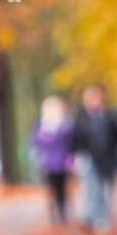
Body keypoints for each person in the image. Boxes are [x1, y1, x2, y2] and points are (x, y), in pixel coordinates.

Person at [72, 84, 117, 232]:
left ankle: (102, 218)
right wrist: (76, 156)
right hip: (88, 158)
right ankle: (89, 217)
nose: (90, 100)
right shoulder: (80, 117)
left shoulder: (111, 116)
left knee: (104, 190)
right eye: (87, 98)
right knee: (90, 188)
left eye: (93, 97)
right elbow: (75, 139)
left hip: (107, 159)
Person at [30, 95, 75, 225]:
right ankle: (53, 213)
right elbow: (35, 143)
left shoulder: (66, 125)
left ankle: (62, 212)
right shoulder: (41, 125)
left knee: (62, 188)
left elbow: (72, 143)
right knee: (50, 188)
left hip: (63, 163)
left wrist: (72, 159)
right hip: (47, 164)